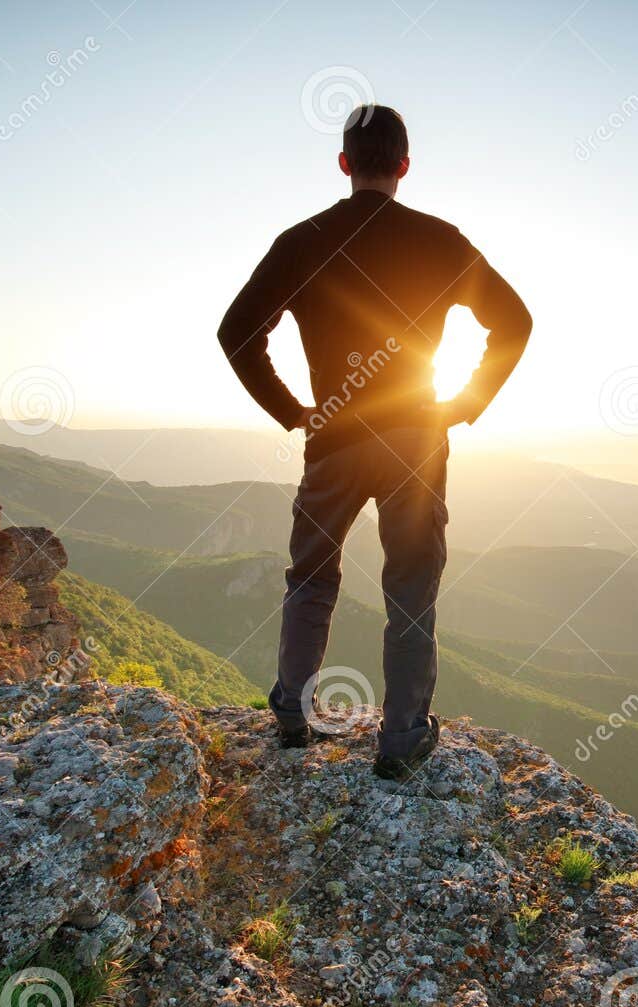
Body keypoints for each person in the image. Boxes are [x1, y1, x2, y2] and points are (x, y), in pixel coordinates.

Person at [218, 105, 532, 779]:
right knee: (411, 591)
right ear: (405, 166)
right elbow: (515, 322)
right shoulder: (441, 240)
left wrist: (292, 411)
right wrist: (465, 404)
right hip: (415, 443)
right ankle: (401, 738)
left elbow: (236, 332)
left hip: (332, 439)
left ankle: (294, 714)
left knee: (310, 577)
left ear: (343, 164)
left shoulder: (302, 240)